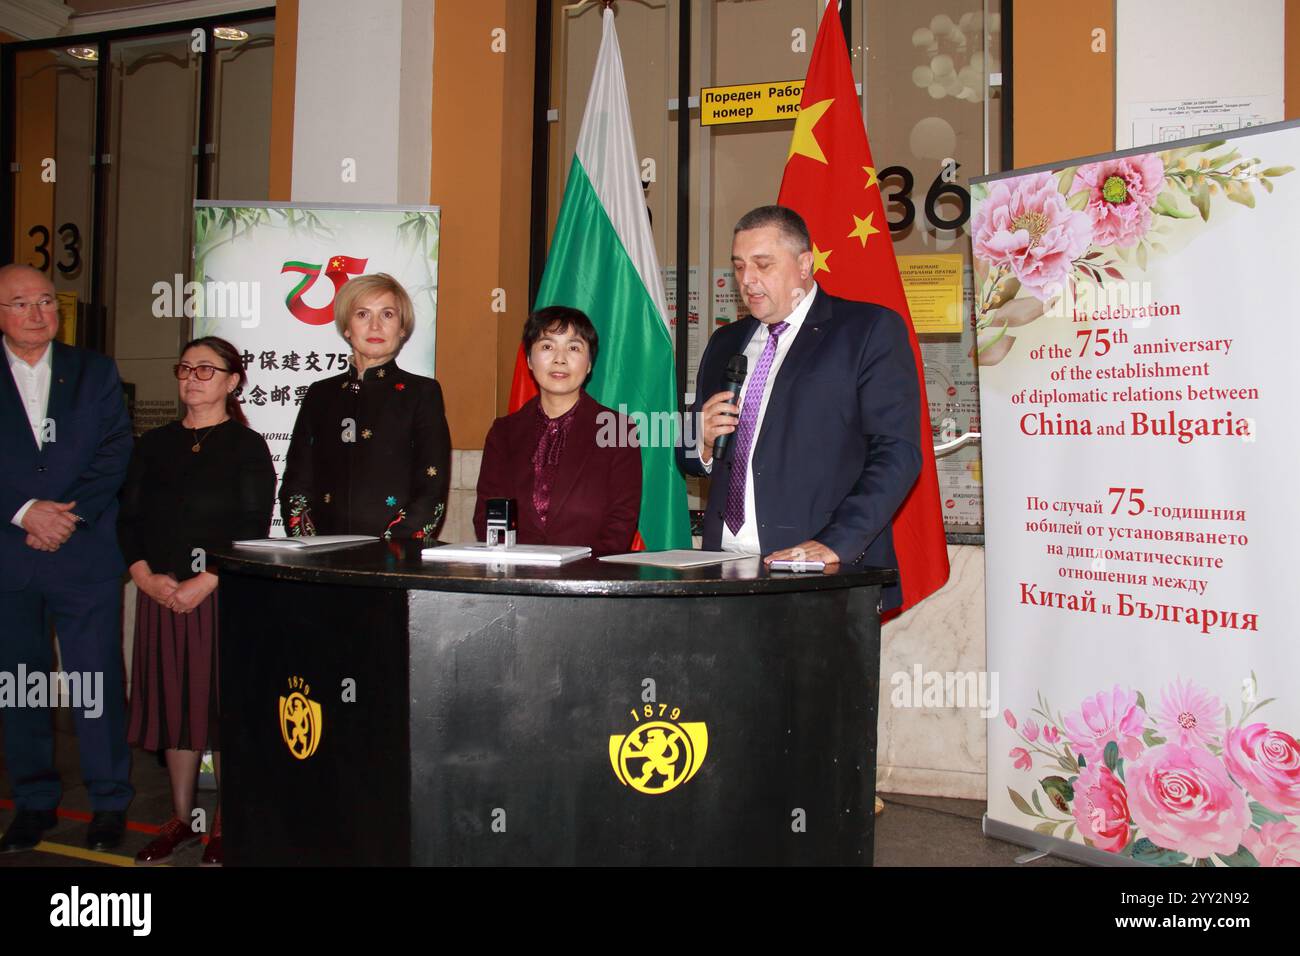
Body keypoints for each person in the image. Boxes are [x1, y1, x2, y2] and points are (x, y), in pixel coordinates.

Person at [676, 205, 922, 610]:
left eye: (762, 264)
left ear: (805, 264)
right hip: (724, 566)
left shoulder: (866, 331)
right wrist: (699, 441)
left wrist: (835, 543)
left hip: (819, 571)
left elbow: (897, 452)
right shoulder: (724, 344)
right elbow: (692, 457)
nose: (747, 280)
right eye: (739, 266)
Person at [118, 336, 275, 866]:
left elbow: (251, 526)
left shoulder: (245, 447)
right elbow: (129, 517)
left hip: (219, 595)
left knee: (221, 708)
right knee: (174, 709)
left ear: (233, 382)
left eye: (207, 370)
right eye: (185, 367)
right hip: (160, 594)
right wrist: (143, 575)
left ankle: (228, 826)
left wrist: (205, 580)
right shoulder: (153, 443)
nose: (192, 378)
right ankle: (181, 819)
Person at [0, 264, 134, 853]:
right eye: (21, 303)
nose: (37, 313)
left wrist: (64, 517)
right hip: (10, 555)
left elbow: (115, 451)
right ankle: (33, 802)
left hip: (82, 555)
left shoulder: (94, 371)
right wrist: (26, 511)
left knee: (96, 681)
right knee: (20, 683)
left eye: (46, 300)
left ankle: (109, 804)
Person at [280, 273, 451, 540]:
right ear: (346, 327)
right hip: (321, 558)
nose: (375, 326)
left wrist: (390, 550)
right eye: (362, 314)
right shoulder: (320, 394)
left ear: (402, 328)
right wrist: (310, 545)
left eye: (387, 315)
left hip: (392, 563)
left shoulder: (422, 393)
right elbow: (296, 483)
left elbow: (432, 488)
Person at [474, 306, 641, 556]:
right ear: (529, 359)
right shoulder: (504, 433)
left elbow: (620, 524)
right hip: (516, 581)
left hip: (589, 581)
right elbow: (488, 517)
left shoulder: (618, 430)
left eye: (573, 348)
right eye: (547, 346)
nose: (559, 358)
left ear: (589, 364)